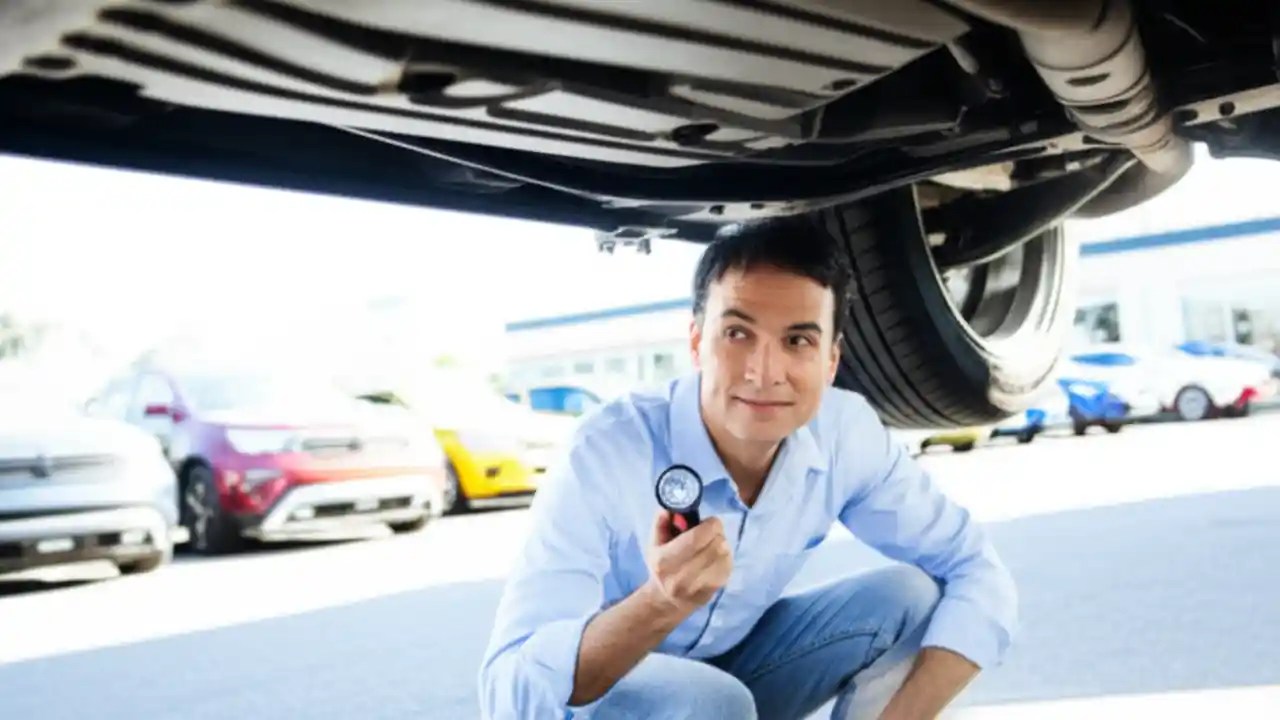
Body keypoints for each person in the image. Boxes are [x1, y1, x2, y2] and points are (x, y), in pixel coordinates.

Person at [477, 215, 1018, 719]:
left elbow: (976, 569)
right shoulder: (607, 450)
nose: (765, 372)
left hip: (734, 676)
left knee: (911, 596)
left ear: (831, 361)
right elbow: (511, 690)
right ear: (696, 343)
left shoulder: (845, 434)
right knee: (714, 700)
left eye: (798, 341)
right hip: (603, 698)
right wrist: (658, 603)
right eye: (737, 334)